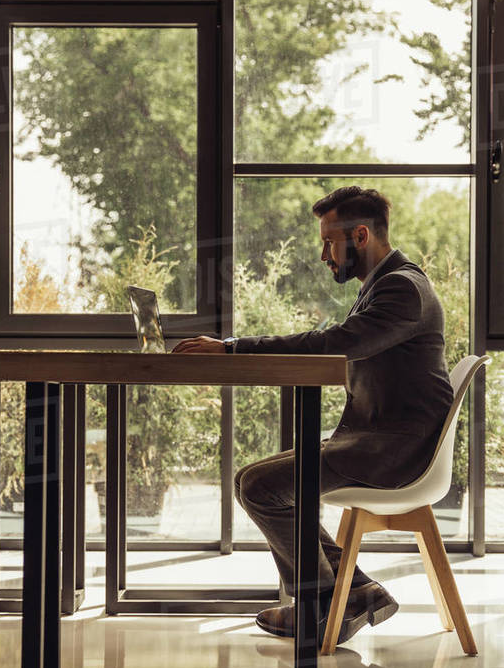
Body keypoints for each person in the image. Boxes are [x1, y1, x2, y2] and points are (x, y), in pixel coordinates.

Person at [173, 186, 454, 645]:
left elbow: (332, 344)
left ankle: (322, 605)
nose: (324, 255)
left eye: (329, 242)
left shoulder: (402, 288)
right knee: (253, 479)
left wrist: (231, 348)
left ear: (360, 235)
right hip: (379, 440)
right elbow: (340, 344)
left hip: (396, 450)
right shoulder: (386, 283)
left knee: (262, 488)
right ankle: (353, 591)